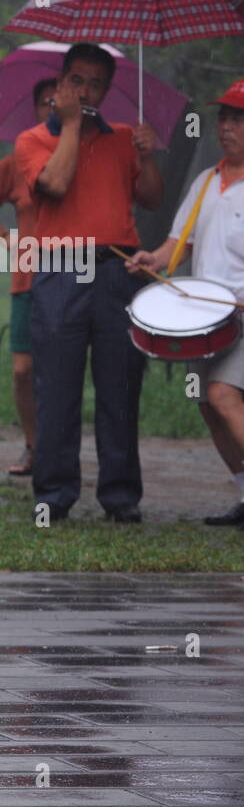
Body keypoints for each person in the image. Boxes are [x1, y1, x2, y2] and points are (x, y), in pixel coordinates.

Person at [15, 42, 163, 524]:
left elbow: (152, 198)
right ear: (59, 85)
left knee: (120, 383)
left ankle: (121, 495)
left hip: (118, 269)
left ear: (108, 88)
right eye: (76, 81)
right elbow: (53, 186)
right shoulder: (34, 139)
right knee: (57, 384)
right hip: (61, 268)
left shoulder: (123, 137)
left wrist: (149, 155)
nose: (86, 90)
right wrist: (73, 123)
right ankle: (55, 493)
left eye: (96, 83)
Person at [126, 80, 244, 526]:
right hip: (206, 318)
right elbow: (178, 244)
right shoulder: (206, 181)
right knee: (207, 405)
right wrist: (151, 258)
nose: (227, 127)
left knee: (222, 395)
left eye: (239, 118)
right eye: (224, 117)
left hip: (242, 315)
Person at [0, 77, 56, 476]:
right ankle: (34, 445)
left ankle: (62, 450)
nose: (53, 109)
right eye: (46, 103)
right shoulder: (21, 157)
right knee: (24, 368)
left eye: (61, 101)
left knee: (63, 368)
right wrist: (0, 233)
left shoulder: (88, 153)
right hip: (27, 278)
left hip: (76, 272)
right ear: (35, 110)